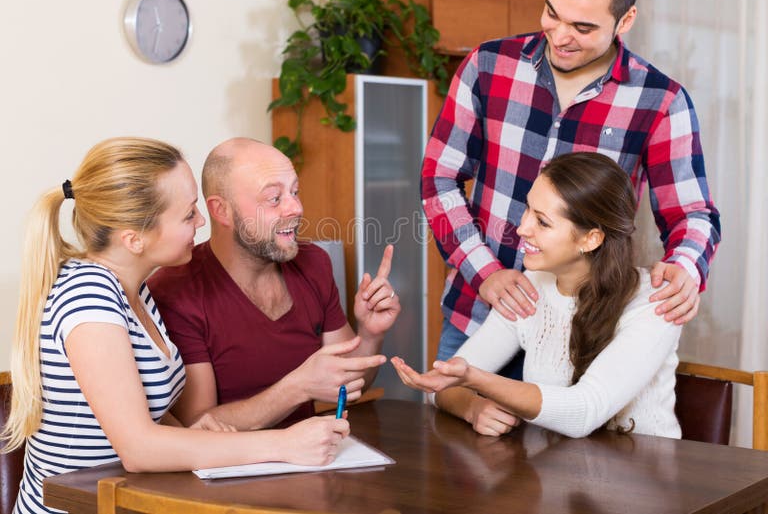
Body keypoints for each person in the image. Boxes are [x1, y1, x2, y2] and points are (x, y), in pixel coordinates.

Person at [421, 0, 720, 378]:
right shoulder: (487, 65)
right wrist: (486, 274)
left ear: (625, 20)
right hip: (477, 319)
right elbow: (438, 179)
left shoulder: (661, 101)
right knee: (454, 441)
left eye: (582, 28)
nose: (559, 37)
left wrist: (686, 268)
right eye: (552, 13)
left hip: (583, 338)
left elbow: (692, 213)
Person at [0, 138, 349, 514]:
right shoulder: (89, 297)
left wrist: (189, 437)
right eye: (188, 215)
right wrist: (284, 445)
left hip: (131, 498)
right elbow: (138, 449)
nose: (202, 222)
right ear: (134, 239)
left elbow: (146, 415)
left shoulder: (134, 294)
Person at [395, 152, 681, 439]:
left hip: (643, 474)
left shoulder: (655, 302)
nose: (522, 229)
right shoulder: (534, 284)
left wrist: (474, 378)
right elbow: (443, 385)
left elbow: (583, 412)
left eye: (542, 222)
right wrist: (472, 406)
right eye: (527, 209)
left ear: (590, 239)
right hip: (553, 474)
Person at [148, 138, 400, 430]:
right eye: (274, 199)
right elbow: (198, 424)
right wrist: (297, 388)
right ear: (221, 211)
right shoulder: (175, 291)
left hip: (309, 459)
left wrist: (370, 334)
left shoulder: (314, 263)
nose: (295, 208)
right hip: (230, 469)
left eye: (295, 192)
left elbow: (350, 387)